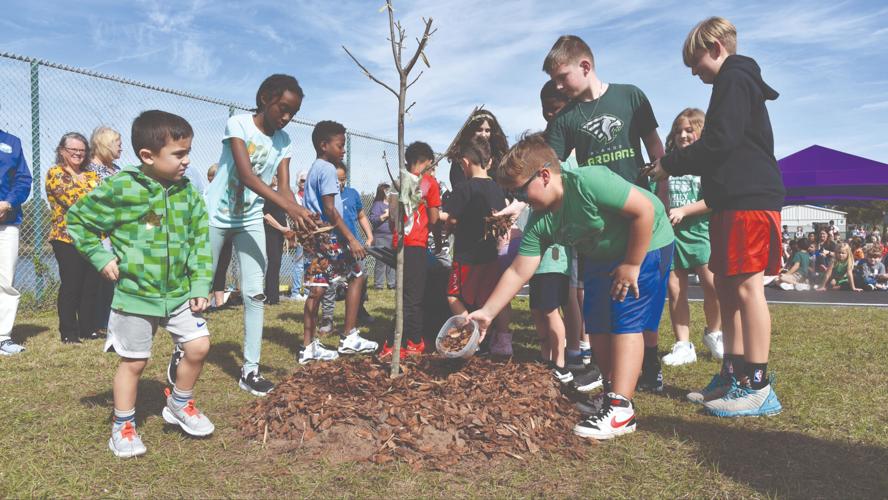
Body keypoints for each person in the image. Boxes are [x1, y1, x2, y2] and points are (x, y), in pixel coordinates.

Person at [469, 133, 674, 440]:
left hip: (644, 242)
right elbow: (519, 270)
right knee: (598, 322)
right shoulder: (541, 221)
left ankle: (621, 411)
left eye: (521, 194)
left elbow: (644, 211)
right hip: (600, 255)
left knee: (624, 319)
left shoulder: (588, 182)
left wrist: (632, 264)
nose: (520, 202)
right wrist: (487, 312)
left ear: (545, 176)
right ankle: (610, 394)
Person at [649, 17, 786, 417]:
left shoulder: (735, 78)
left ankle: (757, 386)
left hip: (750, 198)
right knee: (727, 286)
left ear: (715, 48)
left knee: (746, 288)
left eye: (695, 62)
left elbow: (720, 140)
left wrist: (669, 164)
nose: (694, 72)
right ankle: (733, 374)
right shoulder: (730, 82)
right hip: (729, 200)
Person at [66, 110, 215, 458]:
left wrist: (199, 284)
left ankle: (180, 403)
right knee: (134, 363)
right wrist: (102, 258)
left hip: (179, 293)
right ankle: (123, 425)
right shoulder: (121, 187)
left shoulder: (188, 193)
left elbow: (199, 242)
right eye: (179, 153)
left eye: (188, 151)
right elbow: (79, 221)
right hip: (135, 295)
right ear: (148, 156)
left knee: (198, 346)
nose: (187, 160)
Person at [543, 34, 668, 393]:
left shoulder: (630, 96)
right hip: (599, 224)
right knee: (607, 305)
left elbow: (654, 147)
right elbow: (546, 167)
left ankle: (650, 366)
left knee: (640, 302)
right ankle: (612, 378)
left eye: (562, 76)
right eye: (554, 79)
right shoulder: (565, 119)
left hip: (638, 215)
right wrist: (518, 203)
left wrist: (662, 192)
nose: (557, 85)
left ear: (585, 66)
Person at [201, 74, 315, 397]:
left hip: (251, 218)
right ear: (265, 98)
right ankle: (183, 352)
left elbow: (284, 186)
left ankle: (250, 370)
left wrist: (300, 214)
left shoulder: (284, 141)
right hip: (216, 215)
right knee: (202, 288)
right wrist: (290, 209)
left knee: (256, 293)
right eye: (283, 108)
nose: (287, 117)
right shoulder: (238, 125)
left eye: (293, 112)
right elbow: (247, 176)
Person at [301, 120, 377, 364]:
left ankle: (309, 347)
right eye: (340, 145)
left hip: (317, 237)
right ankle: (349, 336)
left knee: (318, 288)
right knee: (357, 275)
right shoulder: (327, 170)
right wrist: (352, 239)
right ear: (324, 145)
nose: (343, 150)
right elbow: (331, 210)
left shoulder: (316, 167)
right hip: (329, 238)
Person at [540, 79, 594, 379]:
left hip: (580, 225)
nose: (551, 115)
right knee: (573, 289)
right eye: (546, 110)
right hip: (563, 229)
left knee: (580, 291)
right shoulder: (552, 143)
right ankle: (576, 347)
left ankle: (578, 346)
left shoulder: (576, 147)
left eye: (556, 108)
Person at [662, 109, 723, 366]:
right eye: (678, 131)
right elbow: (659, 192)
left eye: (689, 130)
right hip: (672, 235)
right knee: (676, 290)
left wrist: (684, 211)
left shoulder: (709, 164)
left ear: (701, 131)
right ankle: (683, 344)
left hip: (702, 234)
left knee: (713, 286)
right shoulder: (667, 162)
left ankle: (714, 333)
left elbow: (714, 199)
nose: (683, 135)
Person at [381, 141, 441, 358]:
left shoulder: (398, 182)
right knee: (414, 297)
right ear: (426, 162)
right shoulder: (430, 183)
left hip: (399, 244)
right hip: (417, 244)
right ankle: (409, 341)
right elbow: (434, 218)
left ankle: (400, 341)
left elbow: (391, 221)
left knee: (404, 293)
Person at [442, 136, 506, 336]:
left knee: (453, 295)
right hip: (489, 254)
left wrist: (440, 219)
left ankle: (469, 332)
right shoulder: (497, 188)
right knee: (487, 298)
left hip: (465, 257)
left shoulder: (464, 188)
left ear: (465, 162)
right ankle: (495, 336)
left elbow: (451, 218)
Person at [45, 132, 101, 343]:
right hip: (65, 237)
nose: (78, 153)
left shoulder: (91, 175)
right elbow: (74, 200)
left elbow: (103, 200)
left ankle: (88, 328)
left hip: (92, 238)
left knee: (91, 285)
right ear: (62, 151)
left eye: (82, 150)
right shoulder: (55, 173)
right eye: (73, 150)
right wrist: (94, 202)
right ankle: (68, 332)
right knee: (72, 285)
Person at [317, 163, 375, 332]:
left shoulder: (353, 194)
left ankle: (359, 311)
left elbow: (361, 216)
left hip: (354, 245)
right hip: (332, 245)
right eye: (336, 179)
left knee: (360, 278)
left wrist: (369, 236)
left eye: (342, 179)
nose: (339, 183)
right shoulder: (325, 197)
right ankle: (327, 319)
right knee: (330, 283)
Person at [86, 126, 123, 336]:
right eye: (118, 143)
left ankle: (109, 321)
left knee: (114, 279)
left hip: (117, 231)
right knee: (100, 279)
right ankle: (97, 323)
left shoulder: (117, 170)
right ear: (106, 144)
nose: (121, 148)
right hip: (99, 232)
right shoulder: (90, 170)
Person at [0, 126, 32, 355]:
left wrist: (8, 203)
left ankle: (2, 338)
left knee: (5, 281)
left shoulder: (12, 142)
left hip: (7, 222)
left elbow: (23, 179)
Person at [446, 109, 509, 189]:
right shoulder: (460, 157)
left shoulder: (499, 156)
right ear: (472, 131)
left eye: (487, 130)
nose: (483, 134)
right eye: (479, 130)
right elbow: (458, 185)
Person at [204, 164, 233, 310]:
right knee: (211, 267)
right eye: (211, 177)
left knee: (223, 266)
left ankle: (220, 301)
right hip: (212, 230)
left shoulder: (228, 193)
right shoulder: (207, 193)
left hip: (227, 231)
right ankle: (207, 300)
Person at [262, 175, 290, 305]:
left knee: (277, 263)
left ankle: (273, 295)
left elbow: (283, 214)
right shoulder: (265, 194)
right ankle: (271, 297)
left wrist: (287, 230)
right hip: (270, 232)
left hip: (280, 232)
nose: (277, 178)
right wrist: (281, 228)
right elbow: (266, 216)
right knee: (274, 262)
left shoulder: (278, 194)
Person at [369, 183, 395, 290]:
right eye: (387, 191)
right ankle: (378, 285)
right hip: (380, 237)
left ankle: (392, 283)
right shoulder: (378, 204)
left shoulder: (393, 205)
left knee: (392, 261)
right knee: (381, 261)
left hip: (392, 236)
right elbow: (373, 220)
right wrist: (385, 215)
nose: (389, 193)